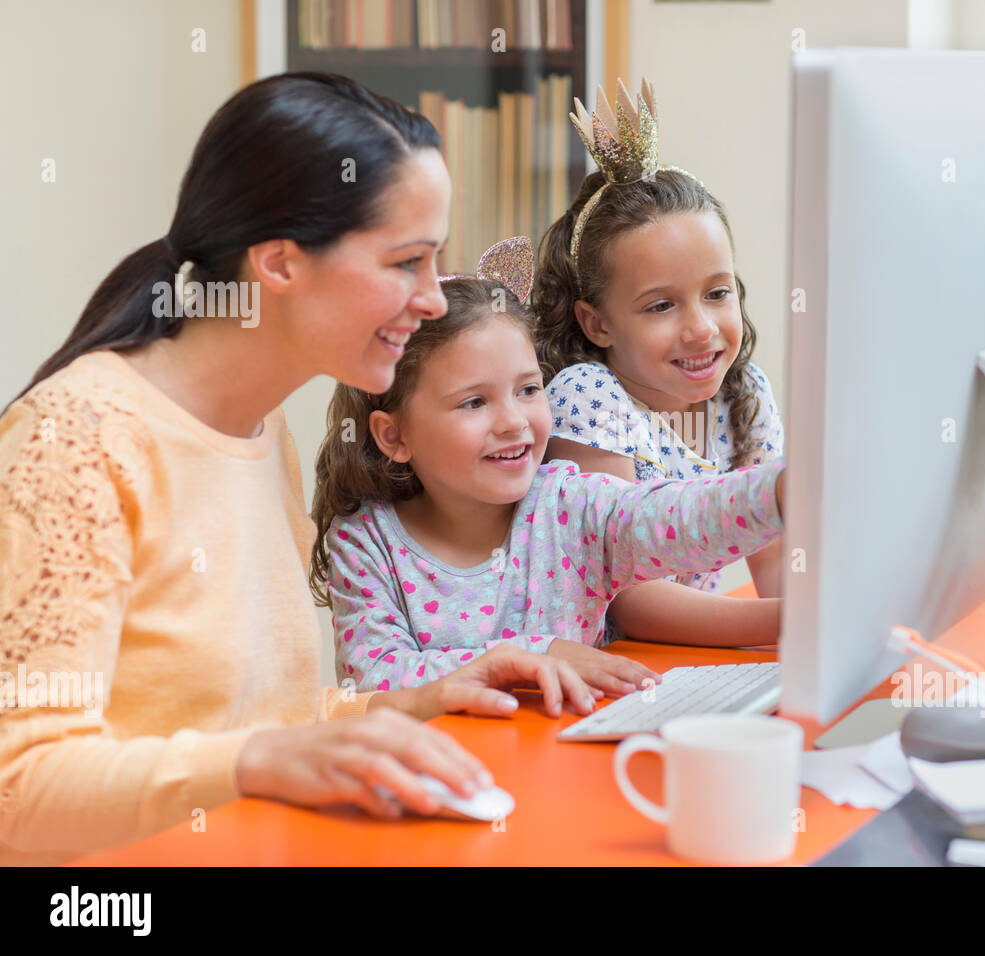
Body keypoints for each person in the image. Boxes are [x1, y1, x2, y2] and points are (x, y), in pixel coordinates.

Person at [0, 72, 595, 865]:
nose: (431, 298)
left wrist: (423, 699)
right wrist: (260, 765)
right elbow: (23, 789)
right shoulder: (74, 441)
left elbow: (258, 720)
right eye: (406, 262)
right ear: (279, 264)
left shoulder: (261, 428)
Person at [310, 254, 788, 695]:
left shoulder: (570, 506)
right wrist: (532, 655)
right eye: (474, 402)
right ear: (394, 437)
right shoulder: (366, 542)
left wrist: (780, 491)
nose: (514, 422)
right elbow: (373, 680)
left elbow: (679, 518)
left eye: (528, 389)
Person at [532, 78, 786, 647]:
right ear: (597, 323)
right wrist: (789, 626)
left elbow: (776, 553)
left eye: (718, 293)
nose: (700, 328)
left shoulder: (744, 392)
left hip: (687, 668)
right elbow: (632, 601)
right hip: (607, 671)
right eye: (662, 305)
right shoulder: (588, 396)